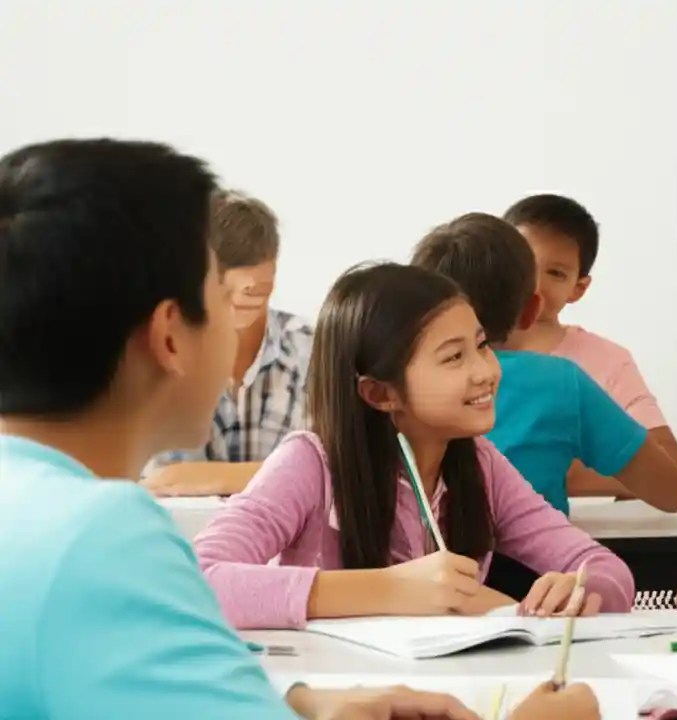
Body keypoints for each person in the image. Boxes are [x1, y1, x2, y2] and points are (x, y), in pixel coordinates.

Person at [0, 138, 595, 719]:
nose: (249, 331)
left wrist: (301, 705)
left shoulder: (27, 506)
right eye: (224, 298)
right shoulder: (106, 539)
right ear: (170, 337)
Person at [194, 263, 635, 629]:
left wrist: (581, 589)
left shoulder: (480, 462)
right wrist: (392, 588)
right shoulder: (311, 463)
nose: (486, 371)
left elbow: (605, 569)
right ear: (380, 394)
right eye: (453, 357)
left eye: (481, 346)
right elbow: (195, 583)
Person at [410, 212, 677, 514]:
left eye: (556, 272)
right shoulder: (562, 383)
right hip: (540, 561)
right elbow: (674, 490)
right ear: (532, 309)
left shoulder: (392, 382)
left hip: (414, 561)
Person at [504, 194, 677, 504]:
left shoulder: (606, 362)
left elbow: (675, 474)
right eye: (524, 264)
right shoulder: (467, 347)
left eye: (556, 273)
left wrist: (550, 467)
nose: (534, 286)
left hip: (573, 540)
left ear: (579, 288)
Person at [142, 189, 314, 497]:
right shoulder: (161, 352)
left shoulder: (310, 349)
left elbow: (331, 472)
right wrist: (281, 473)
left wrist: (208, 477)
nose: (239, 302)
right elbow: (162, 479)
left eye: (255, 291)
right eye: (221, 292)